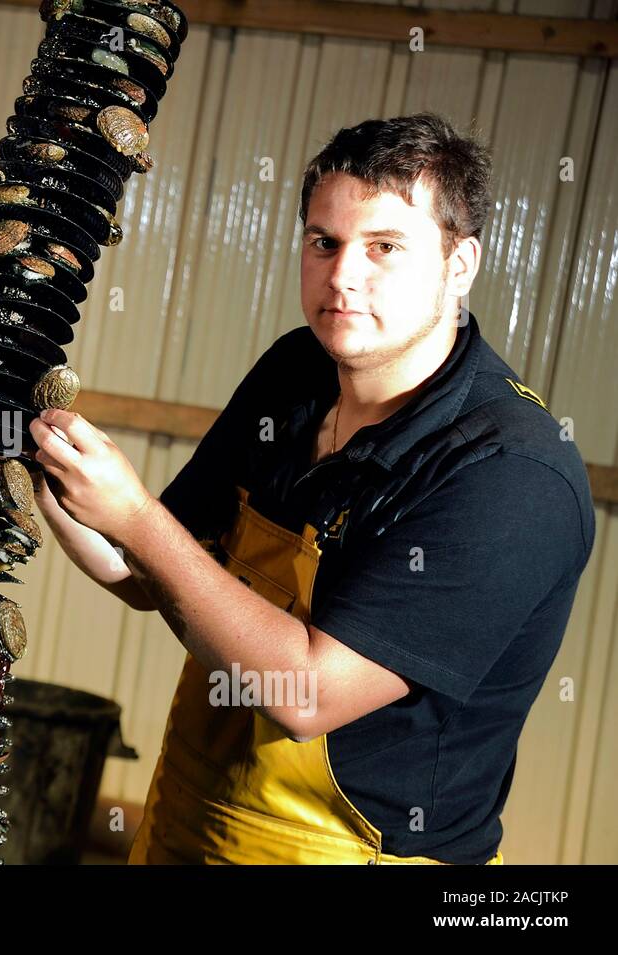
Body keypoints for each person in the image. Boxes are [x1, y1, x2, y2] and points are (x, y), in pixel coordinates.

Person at [29, 113, 595, 865]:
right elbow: (142, 569)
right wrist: (39, 458)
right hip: (184, 828)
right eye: (323, 241)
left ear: (460, 264)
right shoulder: (297, 373)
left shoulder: (512, 475)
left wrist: (133, 515)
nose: (341, 276)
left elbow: (307, 694)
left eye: (384, 247)